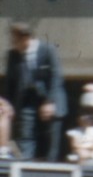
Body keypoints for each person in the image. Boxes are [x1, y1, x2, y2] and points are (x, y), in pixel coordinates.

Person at [6, 21, 68, 161]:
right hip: (27, 100)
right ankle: (25, 166)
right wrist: (10, 105)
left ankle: (51, 169)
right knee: (25, 136)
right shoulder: (13, 55)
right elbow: (10, 83)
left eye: (15, 40)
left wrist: (50, 102)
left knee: (51, 140)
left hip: (50, 98)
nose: (13, 44)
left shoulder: (48, 50)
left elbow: (56, 77)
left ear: (26, 38)